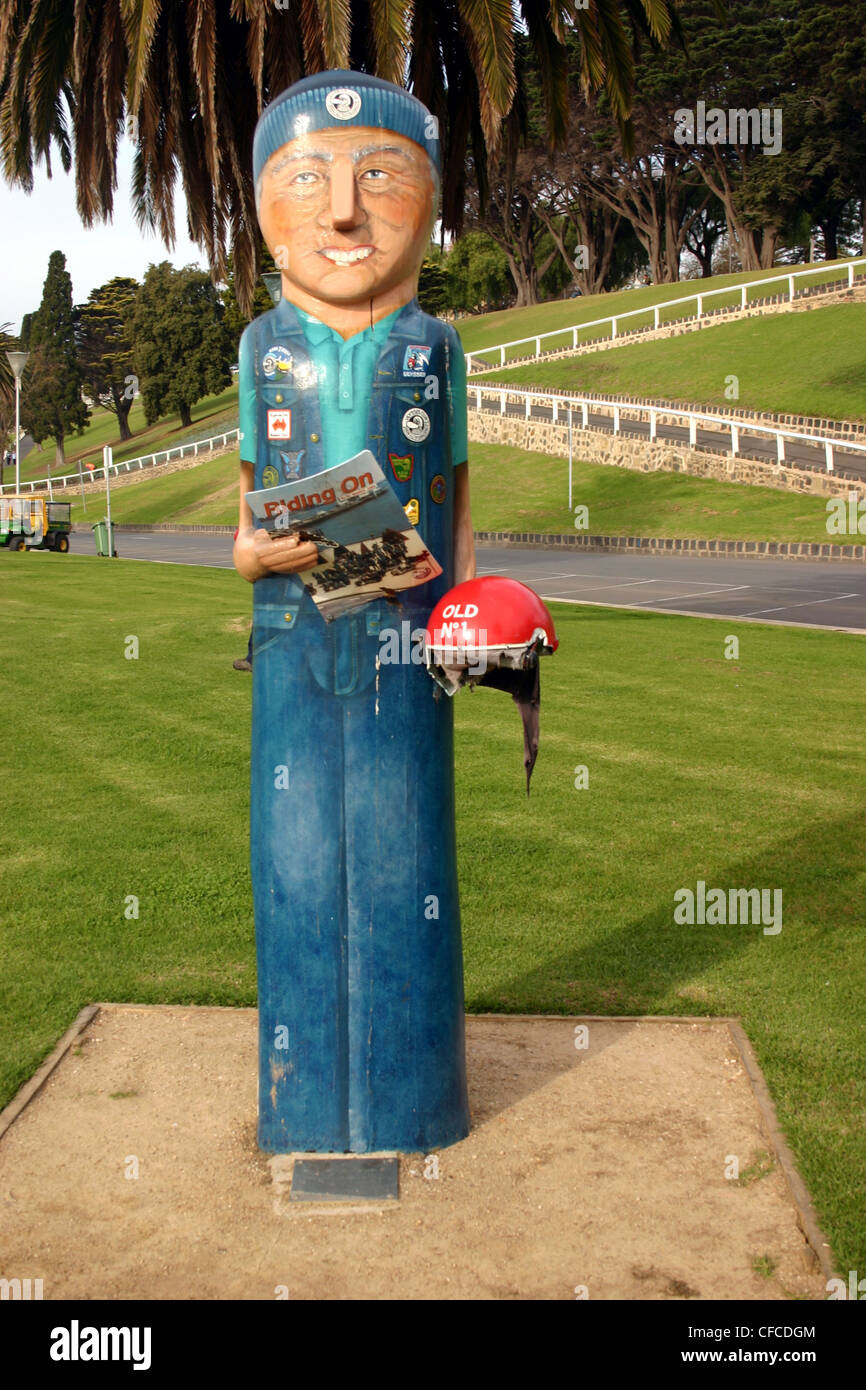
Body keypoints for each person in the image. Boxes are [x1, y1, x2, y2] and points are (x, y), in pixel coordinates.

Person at [233, 71, 474, 1154]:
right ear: (260, 206)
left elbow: (457, 502)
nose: (341, 210)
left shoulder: (434, 344)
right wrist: (255, 552)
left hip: (408, 644)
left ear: (429, 197)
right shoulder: (261, 348)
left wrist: (468, 609)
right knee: (292, 858)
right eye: (304, 178)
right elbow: (243, 522)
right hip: (291, 640)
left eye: (379, 175)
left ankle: (410, 1097)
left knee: (401, 855)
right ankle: (301, 1100)